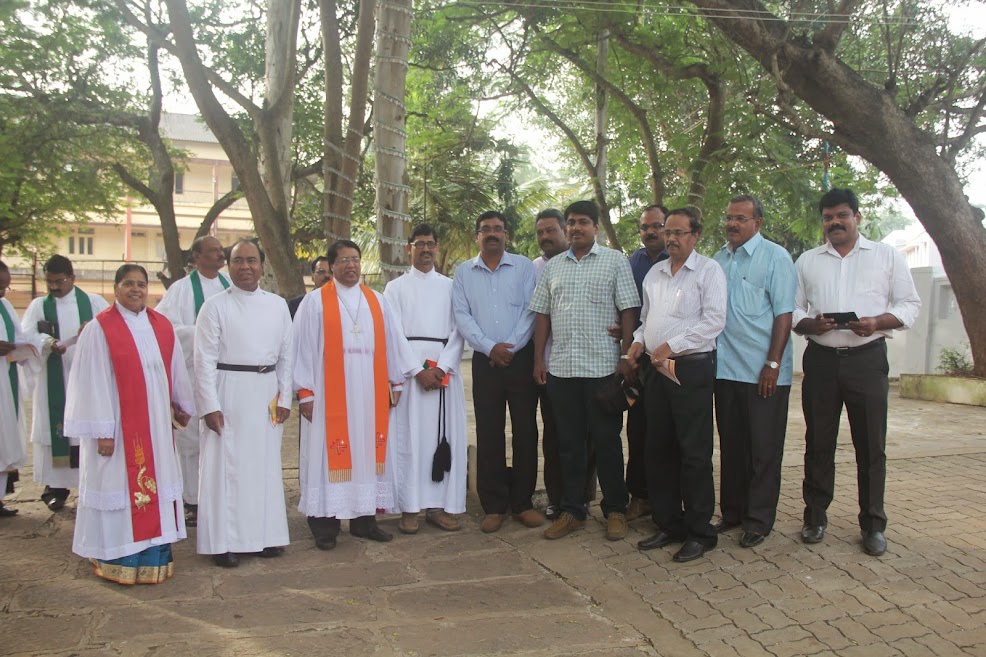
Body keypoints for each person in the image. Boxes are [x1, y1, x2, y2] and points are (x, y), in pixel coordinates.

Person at [794, 188, 921, 557]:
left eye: (842, 216)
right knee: (818, 441)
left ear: (857, 218)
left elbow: (909, 304)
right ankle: (815, 517)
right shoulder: (807, 261)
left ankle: (873, 525)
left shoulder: (886, 256)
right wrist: (810, 324)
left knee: (870, 445)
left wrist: (877, 321)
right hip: (821, 361)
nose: (835, 223)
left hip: (867, 360)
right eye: (828, 217)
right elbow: (792, 306)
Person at [64, 264, 195, 585]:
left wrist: (183, 404)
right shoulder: (100, 328)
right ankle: (117, 554)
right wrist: (102, 432)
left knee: (156, 486)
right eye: (128, 284)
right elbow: (90, 382)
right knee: (118, 488)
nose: (135, 289)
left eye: (141, 284)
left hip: (156, 428)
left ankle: (153, 555)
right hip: (118, 429)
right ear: (116, 288)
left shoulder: (161, 326)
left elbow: (175, 369)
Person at [531, 200, 639, 541]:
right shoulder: (553, 267)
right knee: (570, 445)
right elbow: (542, 315)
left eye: (583, 222)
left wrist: (626, 357)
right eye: (571, 223)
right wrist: (538, 360)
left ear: (595, 228)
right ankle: (573, 511)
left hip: (603, 370)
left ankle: (616, 510)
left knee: (607, 442)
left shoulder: (614, 262)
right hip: (563, 369)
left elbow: (628, 310)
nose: (576, 228)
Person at [293, 240, 407, 549]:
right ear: (330, 266)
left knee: (367, 455)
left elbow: (394, 342)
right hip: (330, 394)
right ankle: (324, 527)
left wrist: (396, 382)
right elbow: (302, 349)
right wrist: (305, 391)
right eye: (343, 260)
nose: (351, 265)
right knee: (326, 455)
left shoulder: (378, 301)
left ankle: (363, 521)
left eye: (355, 259)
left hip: (369, 393)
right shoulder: (315, 302)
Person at [629, 208, 726, 562]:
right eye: (667, 232)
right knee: (659, 449)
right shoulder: (654, 273)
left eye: (678, 233)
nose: (670, 238)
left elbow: (715, 320)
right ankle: (669, 524)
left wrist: (674, 345)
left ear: (695, 235)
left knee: (694, 453)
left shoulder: (709, 270)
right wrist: (639, 341)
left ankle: (700, 531)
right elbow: (645, 320)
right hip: (656, 369)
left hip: (691, 369)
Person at [194, 240, 293, 568]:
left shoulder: (277, 306)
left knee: (262, 468)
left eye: (252, 261)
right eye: (238, 261)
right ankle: (224, 542)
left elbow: (287, 356)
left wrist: (285, 396)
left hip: (266, 393)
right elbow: (203, 360)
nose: (245, 267)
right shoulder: (215, 306)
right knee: (227, 470)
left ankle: (265, 537)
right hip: (228, 391)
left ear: (262, 266)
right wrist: (209, 405)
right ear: (228, 265)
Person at [713, 195, 797, 548]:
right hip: (725, 370)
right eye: (729, 218)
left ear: (758, 223)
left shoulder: (775, 257)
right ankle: (732, 513)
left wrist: (773, 364)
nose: (733, 224)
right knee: (732, 448)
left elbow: (783, 314)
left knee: (763, 450)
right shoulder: (717, 258)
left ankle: (759, 520)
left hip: (763, 372)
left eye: (741, 219)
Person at [452, 211, 541, 534]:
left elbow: (532, 310)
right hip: (485, 361)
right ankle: (494, 505)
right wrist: (490, 347)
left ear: (506, 235)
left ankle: (522, 502)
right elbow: (463, 316)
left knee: (525, 431)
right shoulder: (463, 273)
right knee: (489, 432)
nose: (492, 234)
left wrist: (510, 348)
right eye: (486, 229)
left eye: (498, 229)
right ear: (476, 236)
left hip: (519, 359)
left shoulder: (524, 267)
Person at [385, 225, 467, 534]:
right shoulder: (395, 289)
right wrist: (417, 371)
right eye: (419, 244)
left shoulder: (450, 286)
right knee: (410, 439)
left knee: (441, 438)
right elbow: (392, 333)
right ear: (409, 248)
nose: (425, 249)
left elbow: (460, 329)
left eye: (430, 244)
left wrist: (443, 367)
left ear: (437, 247)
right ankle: (410, 507)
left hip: (444, 372)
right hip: (411, 375)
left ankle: (439, 507)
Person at [21, 255, 109, 511]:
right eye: (49, 282)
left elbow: (113, 325)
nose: (53, 287)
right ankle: (55, 488)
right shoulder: (39, 305)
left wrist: (91, 329)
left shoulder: (93, 302)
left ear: (72, 278)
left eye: (59, 281)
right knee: (56, 431)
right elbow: (27, 335)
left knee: (85, 432)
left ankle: (89, 486)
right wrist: (47, 343)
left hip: (86, 378)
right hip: (54, 378)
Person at [154, 235, 230, 527]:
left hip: (227, 376)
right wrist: (202, 333)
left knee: (224, 433)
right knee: (193, 439)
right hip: (194, 374)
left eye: (221, 251)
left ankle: (221, 493)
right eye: (212, 252)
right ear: (196, 257)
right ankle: (193, 500)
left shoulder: (230, 287)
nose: (219, 256)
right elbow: (165, 328)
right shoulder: (181, 290)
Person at [532, 208, 597, 520]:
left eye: (551, 231)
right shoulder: (534, 269)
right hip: (552, 367)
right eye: (540, 233)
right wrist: (538, 361)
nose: (546, 237)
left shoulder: (597, 263)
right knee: (556, 436)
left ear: (564, 231)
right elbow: (535, 317)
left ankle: (585, 495)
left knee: (589, 435)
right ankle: (558, 499)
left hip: (591, 365)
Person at [624, 205, 669, 521]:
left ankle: (666, 498)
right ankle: (638, 496)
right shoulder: (632, 262)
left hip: (673, 361)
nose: (650, 232)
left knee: (667, 432)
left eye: (657, 226)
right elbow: (625, 306)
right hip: (638, 360)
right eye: (645, 228)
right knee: (637, 429)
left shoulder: (681, 260)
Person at [0, 261, 27, 517]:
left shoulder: (5, 306)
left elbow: (19, 336)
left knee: (3, 440)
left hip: (5, 380)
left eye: (5, 288)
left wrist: (22, 347)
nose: (2, 293)